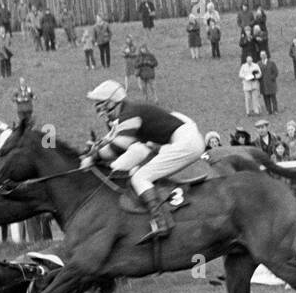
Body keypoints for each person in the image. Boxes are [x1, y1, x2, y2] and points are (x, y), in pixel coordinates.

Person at [82, 81, 206, 242]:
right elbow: (109, 142)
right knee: (135, 168)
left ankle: (162, 222)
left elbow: (118, 147)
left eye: (102, 106)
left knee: (140, 177)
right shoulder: (128, 113)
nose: (101, 112)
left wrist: (93, 158)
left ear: (113, 102)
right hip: (177, 139)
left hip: (185, 142)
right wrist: (93, 151)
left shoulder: (129, 113)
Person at [259, 49, 279, 114]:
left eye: (264, 55)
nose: (263, 56)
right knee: (266, 98)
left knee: (273, 98)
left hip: (271, 83)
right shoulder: (258, 64)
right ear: (260, 56)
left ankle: (275, 110)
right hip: (263, 84)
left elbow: (275, 72)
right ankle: (269, 110)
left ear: (266, 55)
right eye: (261, 55)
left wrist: (272, 78)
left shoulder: (271, 63)